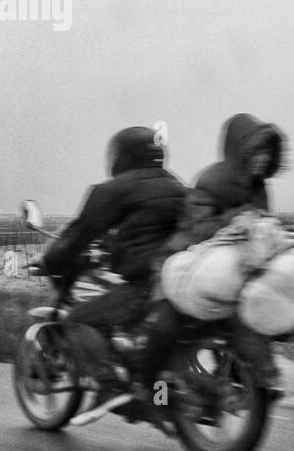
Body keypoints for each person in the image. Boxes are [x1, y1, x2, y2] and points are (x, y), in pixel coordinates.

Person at [38, 126, 187, 423]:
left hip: (147, 285)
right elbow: (149, 228)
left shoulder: (116, 189)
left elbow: (78, 234)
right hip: (180, 281)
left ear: (122, 155)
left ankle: (108, 386)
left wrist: (51, 261)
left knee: (78, 319)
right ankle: (155, 394)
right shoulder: (177, 186)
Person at [135, 113, 288, 400]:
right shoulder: (211, 181)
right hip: (183, 262)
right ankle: (147, 387)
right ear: (240, 152)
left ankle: (259, 376)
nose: (263, 159)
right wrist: (236, 218)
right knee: (166, 324)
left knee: (249, 312)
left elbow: (260, 225)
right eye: (257, 151)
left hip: (229, 269)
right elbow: (196, 229)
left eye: (267, 152)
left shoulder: (259, 188)